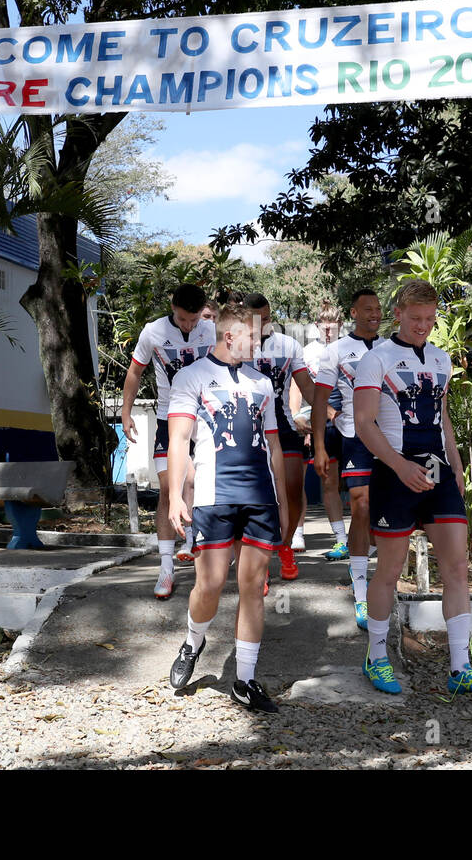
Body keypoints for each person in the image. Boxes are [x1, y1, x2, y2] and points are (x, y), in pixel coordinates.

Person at [353, 281, 472, 696]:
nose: (423, 326)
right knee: (390, 572)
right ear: (398, 313)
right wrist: (399, 467)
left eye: (430, 319)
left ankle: (460, 668)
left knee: (456, 568)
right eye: (416, 318)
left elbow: (443, 418)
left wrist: (456, 467)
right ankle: (377, 657)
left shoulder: (440, 359)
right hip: (393, 472)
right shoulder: (375, 359)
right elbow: (364, 423)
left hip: (438, 472)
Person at [166, 300, 289, 713]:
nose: (260, 341)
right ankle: (193, 641)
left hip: (259, 498)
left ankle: (246, 680)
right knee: (212, 584)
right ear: (230, 336)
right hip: (213, 496)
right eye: (253, 335)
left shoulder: (263, 383)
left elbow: (274, 445)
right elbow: (180, 440)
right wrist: (174, 498)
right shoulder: (191, 376)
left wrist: (284, 504)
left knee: (253, 586)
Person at [122, 283, 216, 600]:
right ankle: (166, 568)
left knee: (203, 484)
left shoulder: (211, 331)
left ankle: (207, 547)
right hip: (168, 417)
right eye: (183, 319)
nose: (189, 325)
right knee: (167, 488)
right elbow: (135, 372)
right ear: (172, 306)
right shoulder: (154, 332)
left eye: (194, 320)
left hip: (206, 418)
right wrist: (125, 412)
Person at [312, 289, 384, 630]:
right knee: (361, 506)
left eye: (378, 309)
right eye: (367, 309)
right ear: (353, 312)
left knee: (387, 514)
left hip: (391, 439)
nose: (374, 313)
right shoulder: (336, 350)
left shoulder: (391, 348)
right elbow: (319, 399)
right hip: (354, 439)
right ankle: (361, 594)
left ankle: (384, 582)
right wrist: (320, 447)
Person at [239, 293, 315, 583]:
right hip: (246, 425)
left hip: (282, 424)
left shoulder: (288, 345)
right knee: (254, 494)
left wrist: (324, 410)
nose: (264, 324)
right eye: (258, 320)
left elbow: (306, 384)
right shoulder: (236, 345)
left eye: (268, 318)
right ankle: (258, 562)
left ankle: (285, 545)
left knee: (294, 487)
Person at [301, 302, 347, 555]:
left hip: (350, 421)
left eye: (332, 328)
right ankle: (340, 539)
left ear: (340, 326)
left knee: (363, 484)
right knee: (330, 483)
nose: (328, 333)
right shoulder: (307, 352)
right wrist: (306, 420)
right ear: (317, 326)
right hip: (324, 423)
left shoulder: (349, 347)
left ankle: (369, 539)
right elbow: (305, 390)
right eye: (323, 328)